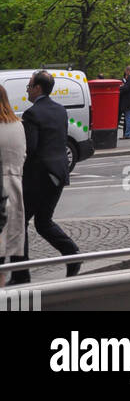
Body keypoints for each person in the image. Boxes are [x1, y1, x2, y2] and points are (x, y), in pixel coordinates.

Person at [9, 70, 80, 284]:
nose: (28, 90)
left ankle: (22, 275)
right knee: (43, 222)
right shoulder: (60, 111)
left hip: (39, 177)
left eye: (29, 86)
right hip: (58, 174)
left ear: (38, 88)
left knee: (19, 223)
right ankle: (72, 254)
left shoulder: (32, 114)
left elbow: (30, 148)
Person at [0, 84, 26, 287]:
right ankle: (20, 278)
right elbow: (23, 155)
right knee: (13, 237)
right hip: (15, 183)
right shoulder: (18, 124)